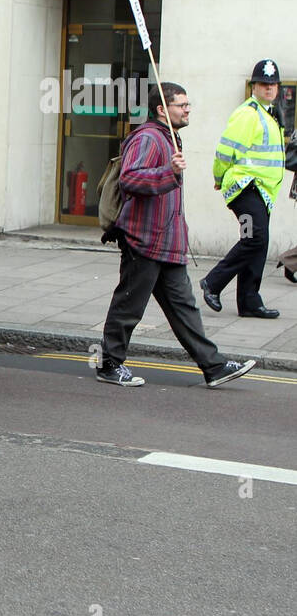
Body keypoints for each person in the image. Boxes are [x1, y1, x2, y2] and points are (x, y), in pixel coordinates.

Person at [97, 82, 256, 388]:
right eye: (181, 105)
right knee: (129, 306)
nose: (187, 109)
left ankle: (214, 367)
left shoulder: (170, 138)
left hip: (167, 242)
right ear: (161, 109)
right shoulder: (147, 138)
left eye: (187, 104)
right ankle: (108, 365)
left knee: (185, 309)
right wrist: (168, 172)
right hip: (143, 239)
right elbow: (130, 179)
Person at [200, 60, 286, 319]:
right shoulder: (247, 114)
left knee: (259, 243)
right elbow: (224, 151)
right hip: (245, 189)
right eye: (263, 84)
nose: (269, 88)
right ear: (253, 86)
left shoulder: (268, 113)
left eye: (272, 84)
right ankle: (212, 283)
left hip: (262, 192)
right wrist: (218, 177)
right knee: (254, 238)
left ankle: (249, 301)